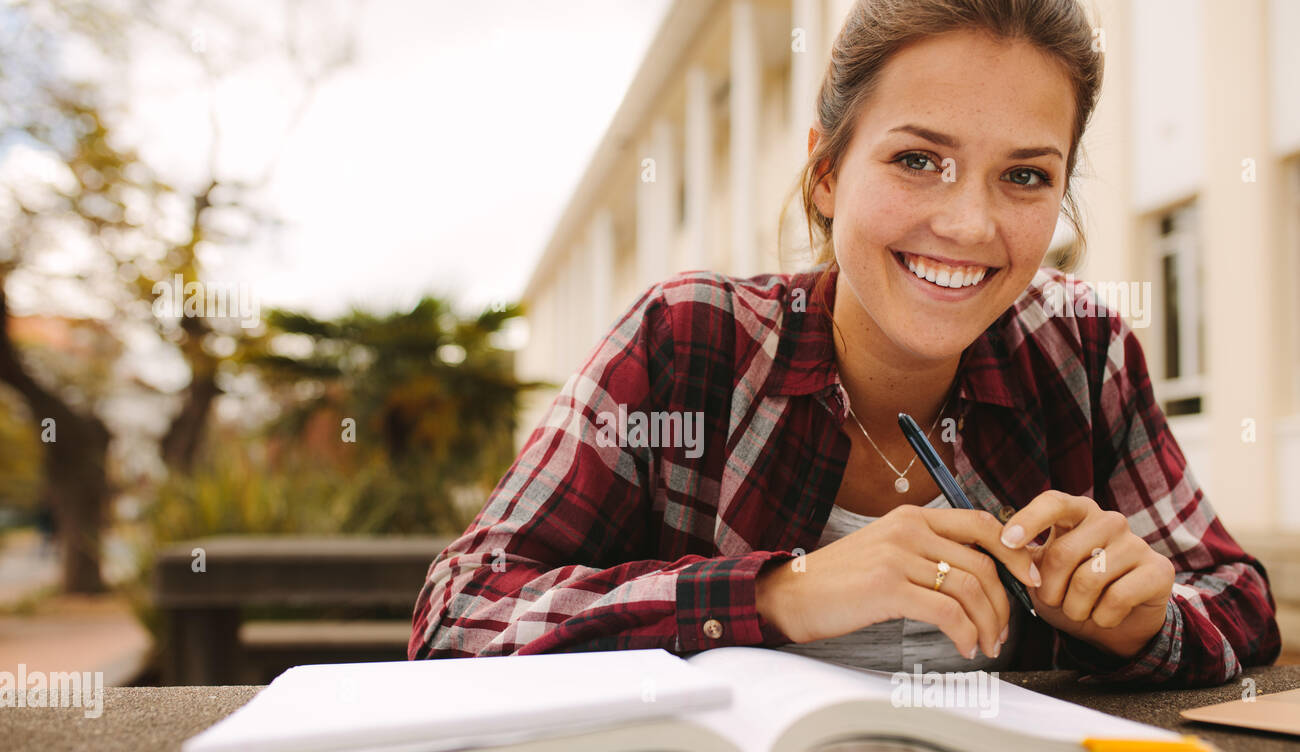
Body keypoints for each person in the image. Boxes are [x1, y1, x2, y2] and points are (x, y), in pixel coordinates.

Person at [410, 0, 1279, 687]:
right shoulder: (687, 341)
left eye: (1024, 176)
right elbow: (456, 616)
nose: (969, 223)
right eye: (917, 159)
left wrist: (1141, 623)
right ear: (826, 174)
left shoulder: (1081, 353)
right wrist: (777, 594)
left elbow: (1240, 604)